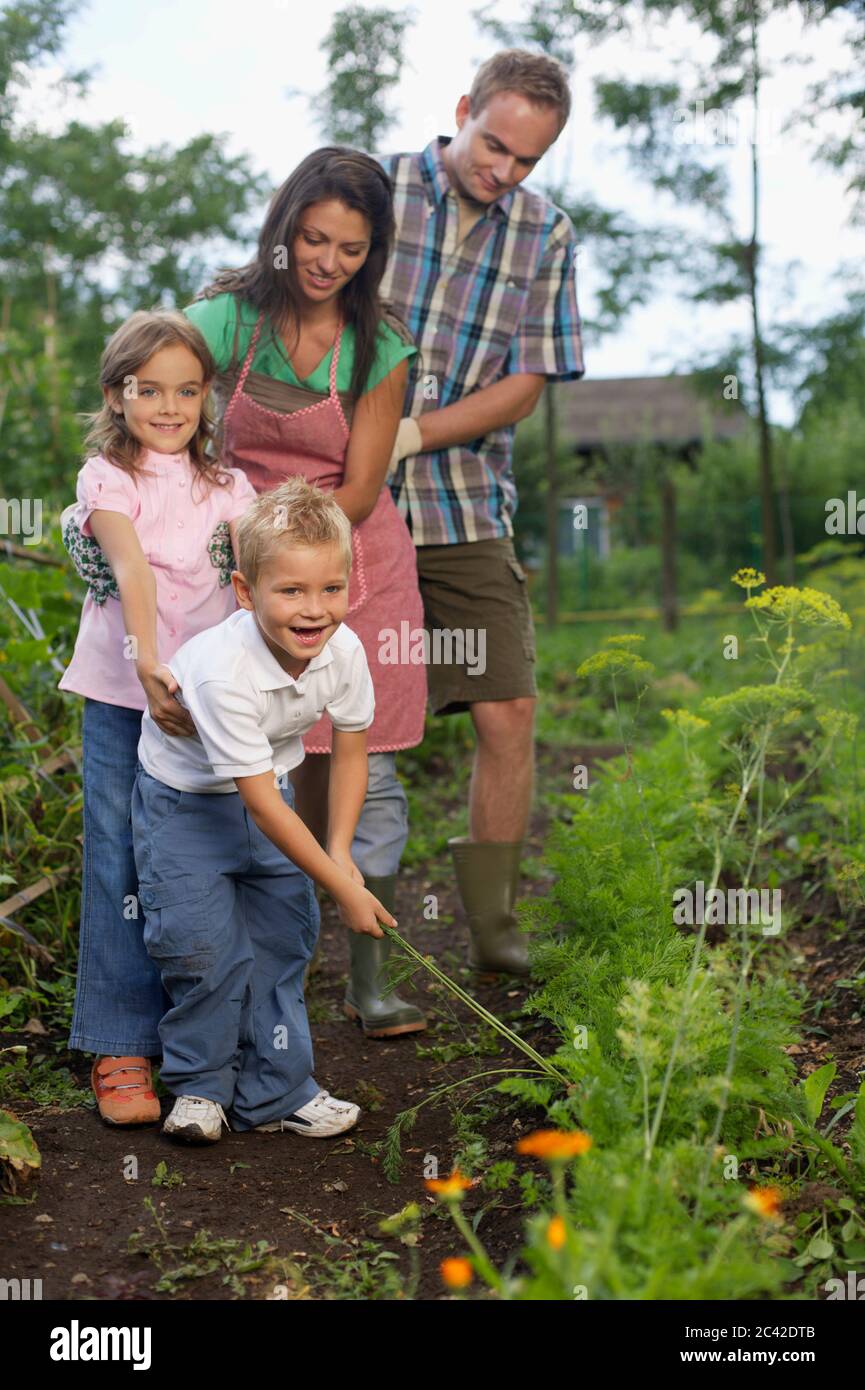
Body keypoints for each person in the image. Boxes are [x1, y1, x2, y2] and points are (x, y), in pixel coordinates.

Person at [183, 147, 428, 1037]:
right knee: (250, 765)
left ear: (375, 254)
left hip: (353, 565)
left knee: (368, 768)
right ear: (283, 230)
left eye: (352, 250)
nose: (327, 262)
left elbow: (360, 487)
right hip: (239, 568)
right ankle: (247, 974)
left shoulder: (379, 342)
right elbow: (164, 417)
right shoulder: (220, 320)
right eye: (313, 239)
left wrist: (297, 554)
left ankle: (370, 978)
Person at [378, 49, 585, 974]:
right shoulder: (373, 191)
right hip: (339, 507)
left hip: (461, 502)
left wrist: (411, 436)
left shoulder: (544, 233)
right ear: (461, 109)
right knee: (318, 718)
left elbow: (525, 384)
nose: (503, 172)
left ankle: (494, 931)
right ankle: (319, 932)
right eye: (494, 145)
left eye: (526, 162)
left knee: (507, 709)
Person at [132, 478, 395, 1143]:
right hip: (186, 806)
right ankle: (201, 1086)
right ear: (247, 593)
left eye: (330, 589)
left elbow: (350, 750)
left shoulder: (344, 653)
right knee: (202, 952)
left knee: (281, 942)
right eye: (291, 591)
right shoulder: (225, 672)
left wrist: (338, 851)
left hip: (268, 794)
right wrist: (342, 887)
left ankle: (278, 1091)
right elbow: (253, 800)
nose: (314, 611)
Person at [58, 309, 259, 1125]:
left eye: (187, 389)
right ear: (117, 393)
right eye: (149, 390)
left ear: (207, 395)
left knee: (205, 861)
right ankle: (120, 1049)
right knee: (118, 864)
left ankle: (210, 1045)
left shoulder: (229, 489)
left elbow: (255, 581)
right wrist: (147, 657)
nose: (169, 407)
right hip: (123, 694)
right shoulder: (108, 479)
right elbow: (131, 563)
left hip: (203, 706)